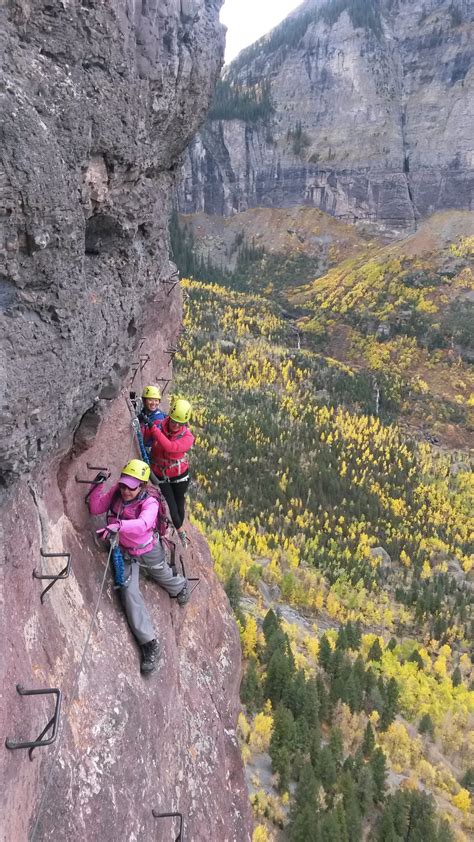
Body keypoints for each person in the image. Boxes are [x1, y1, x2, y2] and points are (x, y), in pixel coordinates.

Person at [88, 458, 189, 674]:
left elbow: (144, 523)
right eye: (124, 485)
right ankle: (150, 644)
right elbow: (96, 507)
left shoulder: (149, 503)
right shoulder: (117, 492)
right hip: (124, 553)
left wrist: (118, 525)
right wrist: (97, 485)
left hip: (148, 551)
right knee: (128, 592)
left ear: (142, 486)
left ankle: (181, 587)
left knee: (162, 575)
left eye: (131, 488)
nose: (125, 491)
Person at [149, 398, 194, 548]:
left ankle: (181, 530)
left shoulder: (188, 437)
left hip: (180, 477)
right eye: (173, 421)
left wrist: (155, 431)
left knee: (179, 503)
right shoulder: (160, 424)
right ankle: (181, 531)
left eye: (179, 423)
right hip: (161, 474)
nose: (175, 425)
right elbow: (146, 438)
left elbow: (170, 447)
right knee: (172, 505)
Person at [138, 385, 166, 453]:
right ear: (144, 401)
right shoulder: (144, 412)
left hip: (150, 452)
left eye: (156, 400)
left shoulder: (159, 419)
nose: (153, 403)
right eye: (150, 400)